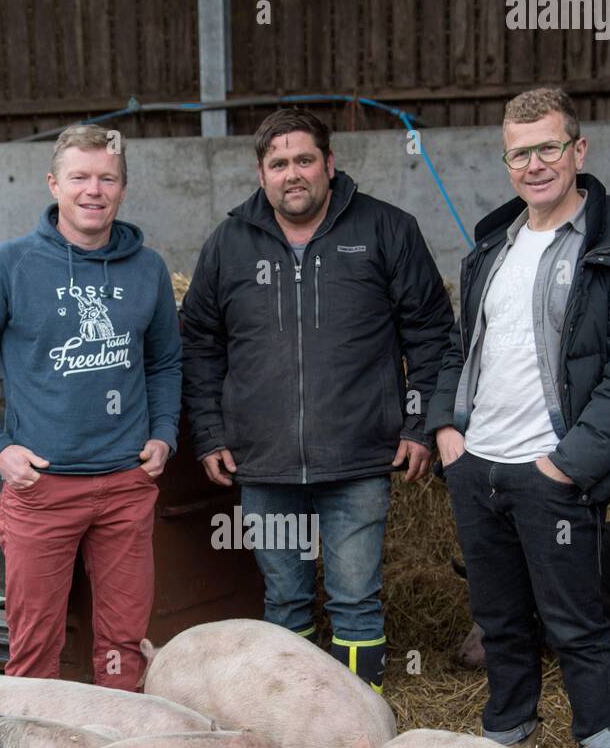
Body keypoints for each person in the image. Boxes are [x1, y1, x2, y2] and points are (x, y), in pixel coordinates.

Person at [426, 86, 610, 748]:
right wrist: (449, 432)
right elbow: (458, 346)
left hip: (552, 470)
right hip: (479, 469)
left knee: (577, 623)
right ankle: (509, 744)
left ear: (579, 150)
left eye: (547, 147)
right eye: (519, 152)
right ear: (505, 160)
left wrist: (567, 465)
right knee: (500, 618)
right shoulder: (493, 246)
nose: (533, 164)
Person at [181, 107, 454, 691]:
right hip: (264, 462)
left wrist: (417, 426)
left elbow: (431, 333)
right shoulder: (229, 243)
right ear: (261, 174)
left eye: (304, 159)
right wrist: (208, 432)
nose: (292, 174)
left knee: (356, 600)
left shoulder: (387, 230)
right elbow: (199, 345)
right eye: (278, 163)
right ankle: (295, 726)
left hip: (358, 458)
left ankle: (362, 724)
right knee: (284, 603)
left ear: (329, 164)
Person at [0, 125, 182, 689]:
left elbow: (167, 362)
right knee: (34, 650)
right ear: (54, 184)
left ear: (122, 189)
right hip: (41, 490)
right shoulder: (9, 266)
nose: (93, 190)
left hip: (126, 485)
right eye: (79, 177)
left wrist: (165, 432)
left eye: (107, 178)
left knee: (125, 647)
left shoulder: (148, 269)